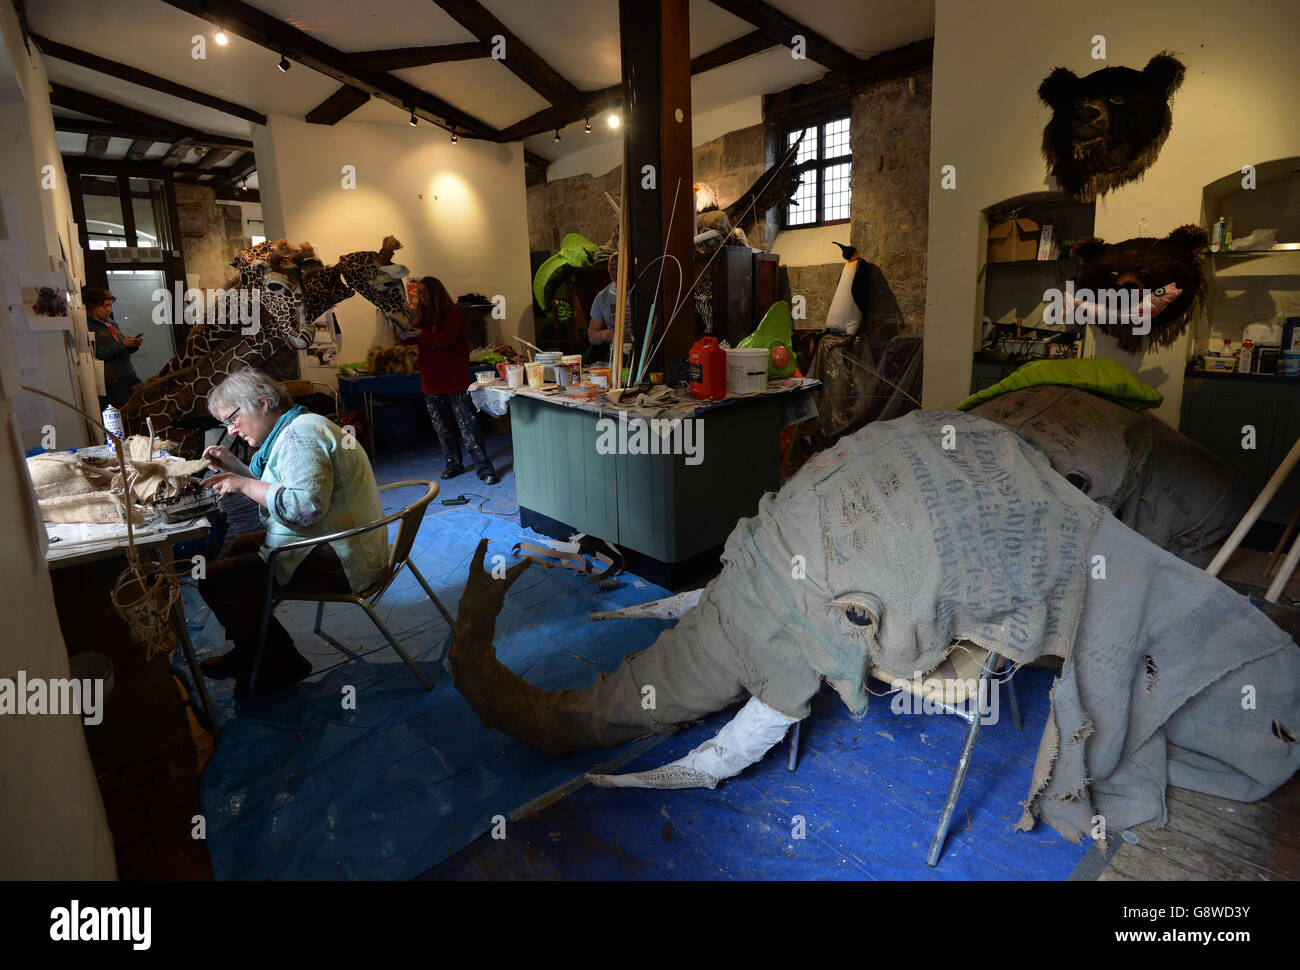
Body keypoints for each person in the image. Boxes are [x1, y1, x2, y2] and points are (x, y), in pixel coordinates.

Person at [198, 367, 390, 695]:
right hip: (339, 539)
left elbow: (304, 508)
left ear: (260, 404)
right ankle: (255, 650)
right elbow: (282, 485)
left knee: (213, 579)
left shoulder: (301, 435)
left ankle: (280, 662)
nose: (230, 431)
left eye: (232, 419)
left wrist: (243, 484)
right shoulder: (296, 427)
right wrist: (235, 468)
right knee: (241, 549)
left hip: (345, 560)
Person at [402, 276, 498, 484]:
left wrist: (421, 335)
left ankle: (484, 468)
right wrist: (404, 334)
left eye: (426, 292)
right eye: (419, 293)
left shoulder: (453, 312)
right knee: (442, 427)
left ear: (436, 292)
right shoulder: (423, 315)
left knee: (467, 425)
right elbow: (415, 336)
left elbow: (447, 341)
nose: (422, 296)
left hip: (454, 378)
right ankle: (453, 463)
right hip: (431, 379)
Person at [84, 285, 142, 408]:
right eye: (105, 306)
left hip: (129, 373)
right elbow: (97, 354)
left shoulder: (111, 323)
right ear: (92, 306)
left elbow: (121, 347)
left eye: (110, 305)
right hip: (114, 381)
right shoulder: (89, 326)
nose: (109, 309)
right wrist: (123, 345)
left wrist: (132, 345)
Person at [583, 254, 630, 366]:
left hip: (641, 348)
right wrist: (603, 334)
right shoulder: (602, 297)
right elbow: (592, 336)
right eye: (612, 267)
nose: (615, 270)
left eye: (618, 266)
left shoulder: (640, 290)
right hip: (617, 352)